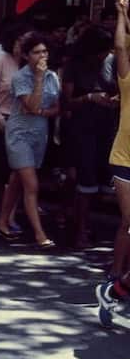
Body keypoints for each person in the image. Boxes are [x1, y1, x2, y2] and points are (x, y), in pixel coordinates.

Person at [0, 32, 61, 249]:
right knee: (31, 184)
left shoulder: (53, 76)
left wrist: (44, 111)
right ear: (26, 55)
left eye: (44, 51)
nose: (42, 56)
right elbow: (31, 105)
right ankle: (39, 234)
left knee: (17, 178)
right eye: (36, 52)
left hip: (39, 133)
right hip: (19, 133)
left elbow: (56, 107)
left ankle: (2, 221)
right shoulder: (21, 77)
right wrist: (39, 79)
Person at [62, 27, 117, 247]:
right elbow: (66, 102)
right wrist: (89, 98)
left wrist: (115, 100)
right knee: (85, 180)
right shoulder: (74, 66)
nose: (104, 55)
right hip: (82, 129)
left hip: (107, 127)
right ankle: (80, 230)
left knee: (103, 182)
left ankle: (86, 224)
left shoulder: (113, 62)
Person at [96, 0, 130, 328]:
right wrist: (121, 14)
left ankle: (118, 290)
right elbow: (120, 48)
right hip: (126, 158)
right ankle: (116, 279)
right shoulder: (128, 79)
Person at [0, 25, 25, 237]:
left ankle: (10, 214)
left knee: (18, 171)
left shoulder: (30, 64)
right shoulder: (0, 62)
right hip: (2, 120)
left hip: (23, 123)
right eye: (19, 42)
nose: (22, 46)